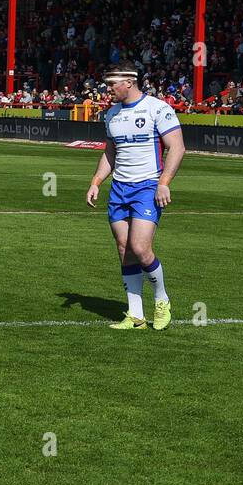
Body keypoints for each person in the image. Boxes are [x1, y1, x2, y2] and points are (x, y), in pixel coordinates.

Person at [86, 64, 185, 330]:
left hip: (147, 187)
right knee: (124, 250)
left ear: (129, 82)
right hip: (119, 188)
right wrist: (96, 181)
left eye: (111, 84)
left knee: (140, 248)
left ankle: (162, 300)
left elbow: (177, 147)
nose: (107, 90)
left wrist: (164, 183)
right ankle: (136, 315)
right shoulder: (112, 115)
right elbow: (110, 153)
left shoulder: (158, 108)